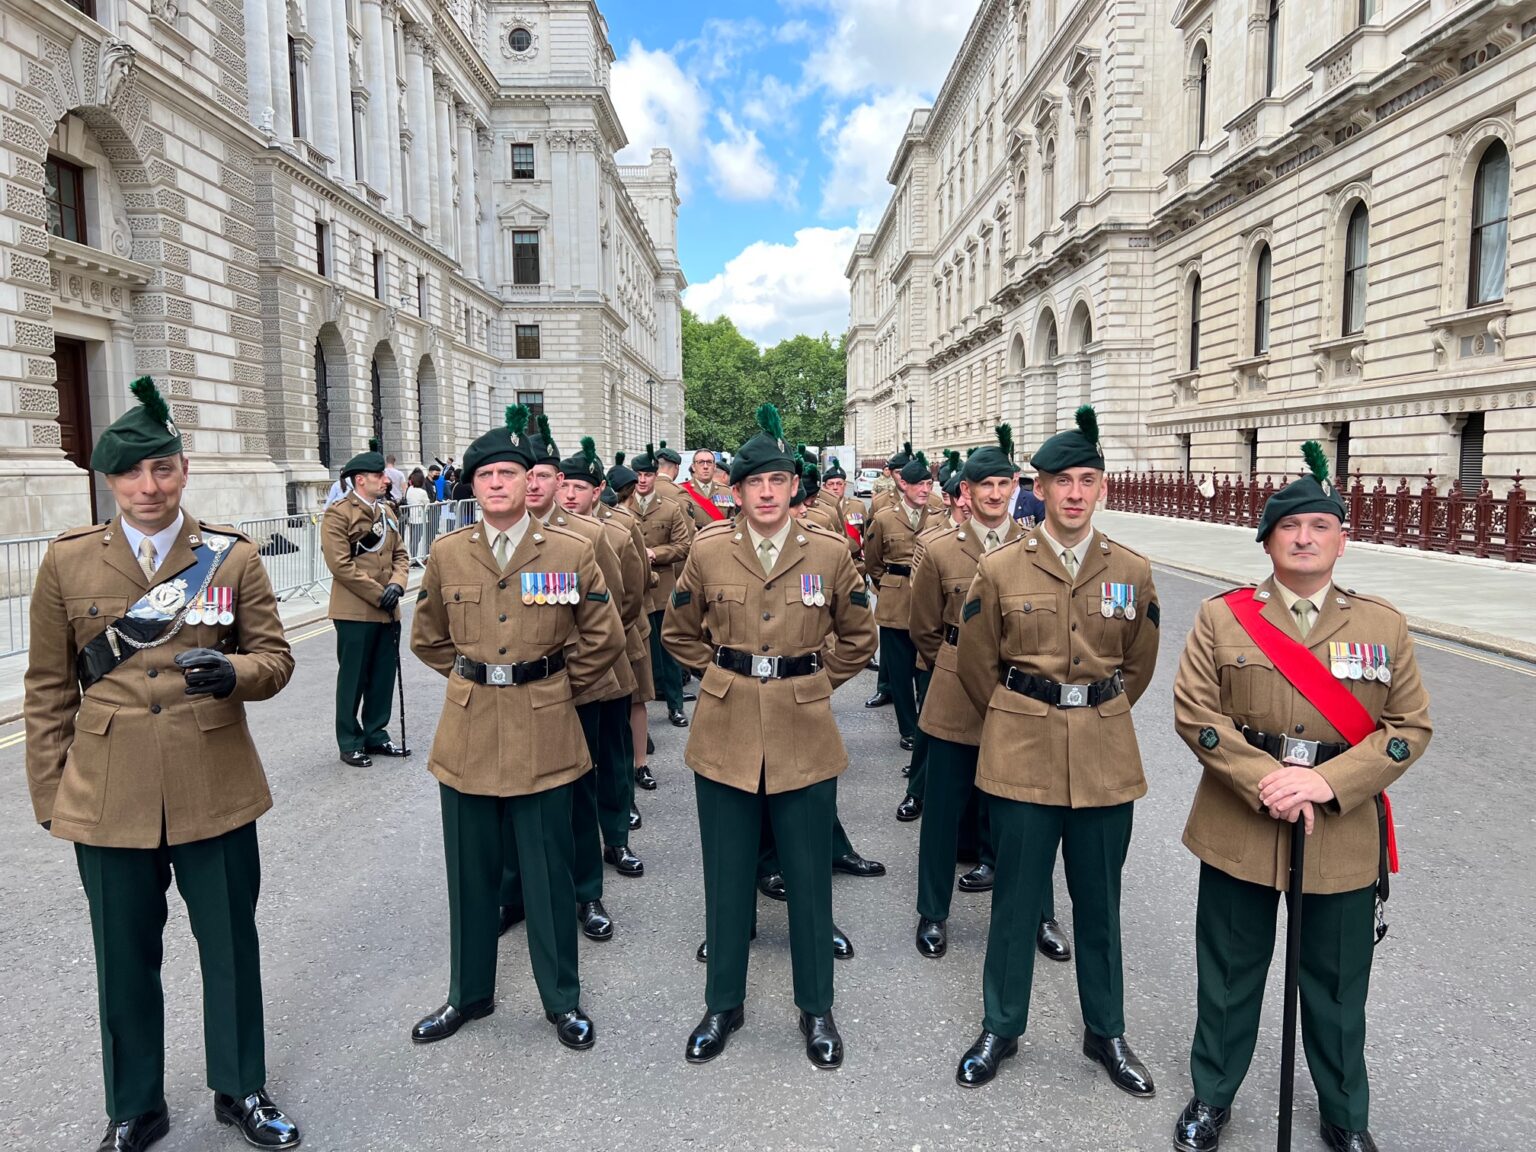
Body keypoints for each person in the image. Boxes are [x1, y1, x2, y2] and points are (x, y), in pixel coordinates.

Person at [25, 376, 302, 1152]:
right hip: (107, 789)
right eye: (132, 474)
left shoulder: (231, 558)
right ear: (109, 480)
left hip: (212, 779)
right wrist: (53, 795)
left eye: (163, 470)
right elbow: (47, 689)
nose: (149, 488)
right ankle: (135, 1104)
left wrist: (237, 674)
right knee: (122, 958)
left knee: (230, 946)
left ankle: (241, 1087)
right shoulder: (67, 562)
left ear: (184, 471)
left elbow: (275, 660)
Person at [1169, 443, 1432, 1152]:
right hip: (1238, 820)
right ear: (1268, 539)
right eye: (1290, 527)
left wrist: (1324, 782)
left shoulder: (1383, 624)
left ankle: (1345, 1111)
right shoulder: (1224, 618)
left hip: (1340, 829)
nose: (1306, 538)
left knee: (1339, 985)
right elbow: (1197, 714)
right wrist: (1268, 781)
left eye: (1321, 526)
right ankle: (1213, 1095)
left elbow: (1409, 729)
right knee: (1228, 973)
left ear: (1343, 539)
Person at [953, 405, 1161, 1095]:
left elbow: (1138, 664)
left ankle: (1106, 1030)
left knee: (1099, 901)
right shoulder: (1001, 567)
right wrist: (1025, 712)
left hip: (1102, 754)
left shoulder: (1131, 569)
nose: (1075, 492)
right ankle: (1001, 1025)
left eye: (1088, 479)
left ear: (1102, 489)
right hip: (1021, 750)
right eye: (1061, 480)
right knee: (1015, 899)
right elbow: (980, 666)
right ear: (1034, 489)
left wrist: (1090, 711)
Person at [663, 404, 877, 1070]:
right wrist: (723, 675)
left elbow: (859, 636)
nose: (765, 491)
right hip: (724, 730)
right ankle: (722, 1003)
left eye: (778, 480)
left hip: (802, 728)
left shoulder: (831, 553)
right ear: (735, 491)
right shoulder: (705, 552)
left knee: (810, 879)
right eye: (753, 482)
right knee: (726, 878)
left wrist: (810, 681)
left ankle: (817, 1007)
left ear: (793, 488)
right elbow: (677, 632)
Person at [409, 405, 625, 1052]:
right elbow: (427, 637)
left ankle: (562, 999)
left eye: (509, 473)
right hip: (470, 730)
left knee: (549, 874)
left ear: (528, 480)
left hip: (544, 725)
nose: (498, 483)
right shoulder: (449, 555)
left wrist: (552, 684)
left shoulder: (569, 549)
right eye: (487, 475)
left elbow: (602, 635)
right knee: (470, 875)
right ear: (472, 486)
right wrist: (477, 677)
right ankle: (468, 994)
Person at [911, 427, 1071, 964]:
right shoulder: (938, 550)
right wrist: (960, 663)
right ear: (966, 493)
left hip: (1023, 691)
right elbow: (924, 629)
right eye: (986, 485)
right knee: (943, 810)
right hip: (956, 689)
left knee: (1029, 814)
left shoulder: (1038, 546)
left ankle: (1039, 914)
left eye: (1005, 483)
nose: (996, 493)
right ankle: (932, 911)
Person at [497, 416, 641, 945]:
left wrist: (569, 674)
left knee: (582, 785)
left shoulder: (588, 535)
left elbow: (619, 602)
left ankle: (587, 890)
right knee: (512, 791)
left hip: (581, 681)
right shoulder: (492, 538)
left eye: (541, 475)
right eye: (524, 474)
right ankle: (513, 893)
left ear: (560, 482)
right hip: (514, 690)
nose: (532, 484)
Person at [562, 439, 651, 852]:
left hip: (610, 656)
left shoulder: (614, 530)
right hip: (561, 664)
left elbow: (629, 595)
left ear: (596, 490)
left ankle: (616, 836)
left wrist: (602, 641)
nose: (569, 495)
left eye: (578, 488)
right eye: (565, 486)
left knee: (612, 752)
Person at [321, 439, 409, 768]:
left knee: (383, 674)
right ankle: (349, 739)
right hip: (355, 609)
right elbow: (341, 565)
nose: (386, 480)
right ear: (361, 480)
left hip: (389, 608)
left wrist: (398, 585)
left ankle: (376, 733)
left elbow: (400, 553)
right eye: (380, 476)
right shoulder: (338, 514)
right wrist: (379, 593)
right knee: (354, 677)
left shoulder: (385, 512)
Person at [863, 448, 936, 782]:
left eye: (929, 483)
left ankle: (928, 725)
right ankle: (908, 728)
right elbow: (874, 561)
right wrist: (888, 586)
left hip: (930, 601)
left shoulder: (939, 514)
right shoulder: (884, 517)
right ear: (903, 484)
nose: (925, 489)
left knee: (928, 669)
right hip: (895, 602)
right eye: (919, 484)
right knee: (900, 671)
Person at [627, 444, 692, 729]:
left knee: (668, 653)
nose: (642, 480)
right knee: (637, 653)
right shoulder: (621, 508)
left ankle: (675, 706)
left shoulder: (671, 508)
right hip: (634, 592)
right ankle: (636, 714)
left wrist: (656, 554)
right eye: (638, 475)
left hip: (663, 591)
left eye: (647, 475)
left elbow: (683, 546)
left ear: (656, 476)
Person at [681, 446, 735, 521]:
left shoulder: (726, 492)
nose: (705, 466)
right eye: (701, 462)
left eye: (709, 462)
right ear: (693, 467)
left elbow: (732, 522)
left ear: (714, 467)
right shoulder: (681, 491)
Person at [405, 467, 432, 566]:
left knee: (413, 538)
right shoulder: (422, 492)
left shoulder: (409, 490)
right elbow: (427, 505)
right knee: (416, 539)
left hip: (411, 517)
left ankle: (413, 556)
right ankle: (414, 558)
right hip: (420, 518)